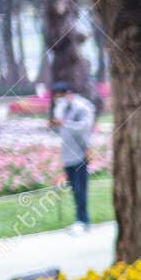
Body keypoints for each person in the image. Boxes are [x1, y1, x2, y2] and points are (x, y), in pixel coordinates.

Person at [49, 82, 97, 234]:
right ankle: (79, 220)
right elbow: (61, 131)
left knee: (80, 189)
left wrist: (64, 123)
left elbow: (84, 127)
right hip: (68, 156)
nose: (57, 100)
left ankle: (84, 221)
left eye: (60, 96)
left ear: (68, 94)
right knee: (74, 190)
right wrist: (55, 126)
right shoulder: (62, 108)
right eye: (56, 97)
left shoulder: (82, 107)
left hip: (81, 154)